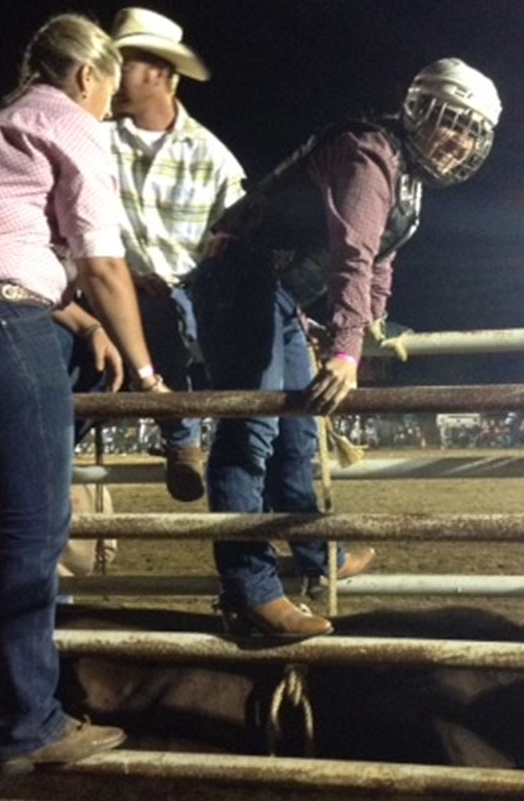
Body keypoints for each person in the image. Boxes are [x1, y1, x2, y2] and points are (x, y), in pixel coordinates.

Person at [0, 13, 165, 773]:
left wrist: (85, 325)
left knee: (81, 359)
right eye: (110, 94)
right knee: (38, 530)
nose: (109, 110)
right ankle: (28, 721)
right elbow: (102, 260)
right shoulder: (67, 120)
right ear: (87, 76)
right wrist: (147, 373)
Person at [192, 58, 502, 637]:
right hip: (241, 280)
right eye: (452, 123)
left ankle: (315, 552)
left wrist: (371, 322)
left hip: (272, 292)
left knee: (298, 431)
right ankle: (250, 590)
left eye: (471, 133)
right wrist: (346, 348)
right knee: (251, 430)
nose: (459, 143)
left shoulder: (404, 173)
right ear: (421, 110)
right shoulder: (369, 153)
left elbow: (380, 261)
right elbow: (353, 252)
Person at [106, 7, 246, 502]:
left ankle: (186, 440)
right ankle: (184, 441)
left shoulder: (213, 158)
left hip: (189, 302)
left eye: (119, 65)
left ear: (160, 74)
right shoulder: (93, 141)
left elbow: (238, 239)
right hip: (115, 298)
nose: (107, 77)